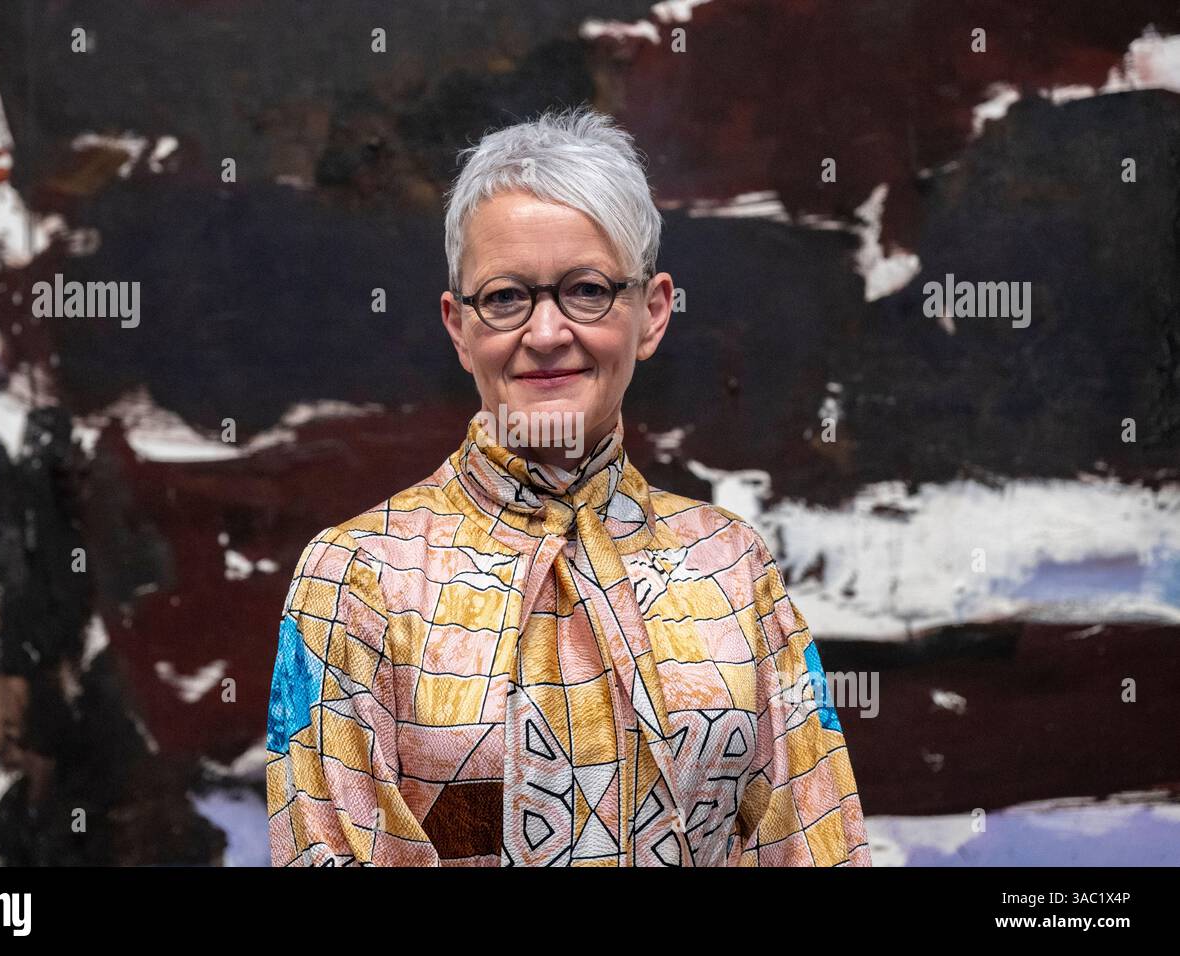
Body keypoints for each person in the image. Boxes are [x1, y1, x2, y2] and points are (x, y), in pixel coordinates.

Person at [265, 104, 872, 867]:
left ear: (651, 313)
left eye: (586, 290)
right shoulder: (356, 578)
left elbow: (816, 845)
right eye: (507, 297)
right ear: (459, 327)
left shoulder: (732, 566)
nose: (547, 334)